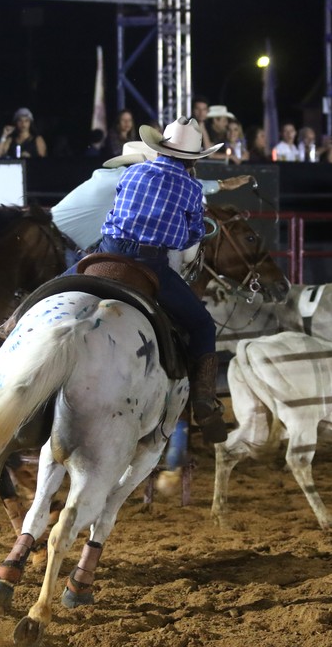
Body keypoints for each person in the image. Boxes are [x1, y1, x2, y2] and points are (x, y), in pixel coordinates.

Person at [94, 117, 229, 444]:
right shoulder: (191, 187)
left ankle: (3, 332)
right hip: (148, 263)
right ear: (193, 159)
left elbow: (115, 211)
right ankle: (203, 402)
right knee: (202, 326)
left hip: (107, 254)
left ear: (163, 147)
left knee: (55, 287)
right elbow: (188, 238)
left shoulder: (134, 171)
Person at [50, 139, 252, 265]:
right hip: (57, 246)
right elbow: (176, 186)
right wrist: (220, 185)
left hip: (61, 241)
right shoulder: (128, 178)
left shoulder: (109, 177)